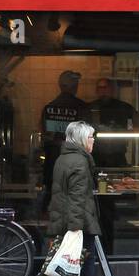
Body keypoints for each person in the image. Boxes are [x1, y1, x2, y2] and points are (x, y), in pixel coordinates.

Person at [31, 120, 107, 276]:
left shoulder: (63, 158)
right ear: (83, 139)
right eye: (91, 137)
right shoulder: (80, 163)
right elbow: (77, 197)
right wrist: (75, 227)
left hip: (66, 216)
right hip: (79, 219)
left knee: (70, 260)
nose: (93, 141)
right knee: (85, 261)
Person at [40, 70, 88, 207]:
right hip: (75, 162)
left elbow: (46, 136)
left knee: (55, 201)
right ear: (73, 86)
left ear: (60, 86)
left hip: (53, 162)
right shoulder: (82, 108)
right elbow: (87, 135)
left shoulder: (49, 108)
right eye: (76, 84)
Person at [90, 77, 139, 168]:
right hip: (97, 155)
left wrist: (134, 130)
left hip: (117, 155)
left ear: (111, 90)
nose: (103, 91)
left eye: (105, 87)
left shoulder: (123, 107)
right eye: (100, 88)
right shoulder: (91, 108)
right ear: (96, 90)